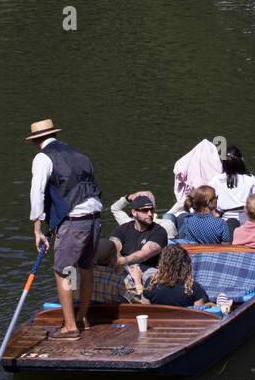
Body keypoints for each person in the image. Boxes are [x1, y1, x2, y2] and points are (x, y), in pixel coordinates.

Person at [28, 117, 103, 340]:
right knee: (85, 268)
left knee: (63, 271)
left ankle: (70, 326)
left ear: (35, 140)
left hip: (74, 220)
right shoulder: (80, 154)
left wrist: (37, 229)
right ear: (55, 135)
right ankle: (82, 318)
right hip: (95, 216)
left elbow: (37, 193)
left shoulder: (43, 157)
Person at [210, 147, 255, 223]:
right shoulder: (250, 178)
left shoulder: (216, 179)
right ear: (241, 160)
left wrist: (213, 212)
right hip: (246, 219)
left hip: (224, 220)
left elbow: (204, 197)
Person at [111, 194, 168, 278]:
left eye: (151, 210)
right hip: (124, 268)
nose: (150, 214)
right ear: (134, 212)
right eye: (145, 210)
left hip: (149, 271)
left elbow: (144, 254)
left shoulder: (159, 231)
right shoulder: (122, 229)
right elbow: (113, 247)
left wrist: (122, 261)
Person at [144, 244, 209, 309]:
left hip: (158, 318)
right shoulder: (193, 288)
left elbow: (146, 311)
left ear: (162, 263)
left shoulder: (151, 284)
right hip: (184, 318)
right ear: (186, 265)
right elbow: (199, 314)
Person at [87, 238, 144, 307]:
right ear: (113, 259)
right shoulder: (119, 281)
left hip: (83, 316)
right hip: (109, 317)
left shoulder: (79, 276)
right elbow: (137, 302)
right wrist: (137, 281)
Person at [110, 189, 177, 239]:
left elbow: (115, 208)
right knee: (169, 215)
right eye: (144, 210)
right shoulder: (167, 224)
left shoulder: (127, 223)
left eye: (150, 209)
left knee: (169, 215)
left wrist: (129, 197)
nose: (149, 214)